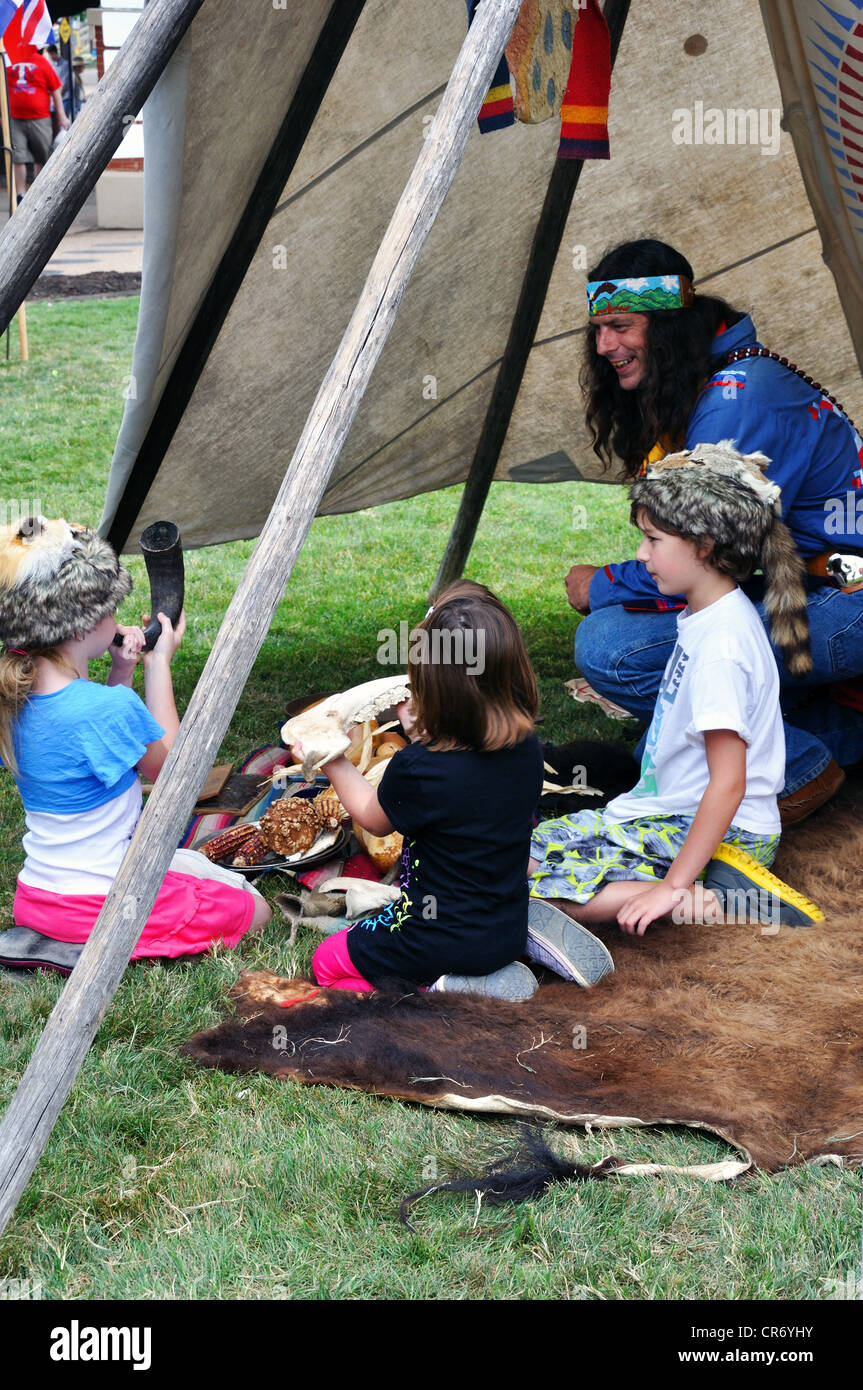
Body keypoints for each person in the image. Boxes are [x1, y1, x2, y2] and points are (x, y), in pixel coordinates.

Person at [567, 238, 863, 825]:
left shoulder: (737, 396)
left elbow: (709, 557)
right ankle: (840, 731)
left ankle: (799, 767)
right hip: (805, 585)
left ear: (670, 327)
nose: (605, 346)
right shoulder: (718, 378)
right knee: (668, 719)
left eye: (621, 325)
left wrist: (599, 583)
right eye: (599, 329)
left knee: (611, 650)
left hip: (845, 597)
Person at [530, 443, 824, 959]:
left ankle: (716, 900)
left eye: (652, 539)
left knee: (539, 892)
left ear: (704, 544)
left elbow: (729, 782)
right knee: (528, 852)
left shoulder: (722, 648)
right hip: (667, 810)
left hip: (721, 831)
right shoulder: (705, 616)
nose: (642, 555)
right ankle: (691, 888)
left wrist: (671, 887)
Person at [295, 581, 609, 1000]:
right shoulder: (528, 748)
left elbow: (372, 816)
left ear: (435, 695)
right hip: (501, 924)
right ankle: (524, 936)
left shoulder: (418, 767)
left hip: (433, 934)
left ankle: (443, 989)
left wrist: (333, 759)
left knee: (327, 964)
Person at [0, 516, 270, 971]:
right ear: (82, 626)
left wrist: (121, 673)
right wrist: (156, 662)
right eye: (108, 608)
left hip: (37, 900)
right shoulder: (105, 710)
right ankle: (120, 945)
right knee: (254, 910)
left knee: (192, 866)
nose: (116, 617)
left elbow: (87, 736)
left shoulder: (14, 701)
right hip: (100, 905)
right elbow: (180, 779)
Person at [7, 44, 70, 203]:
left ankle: (37, 192)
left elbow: (55, 90)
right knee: (18, 157)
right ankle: (20, 195)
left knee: (41, 156)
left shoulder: (41, 62)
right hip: (15, 118)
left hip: (40, 118)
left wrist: (61, 115)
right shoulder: (8, 61)